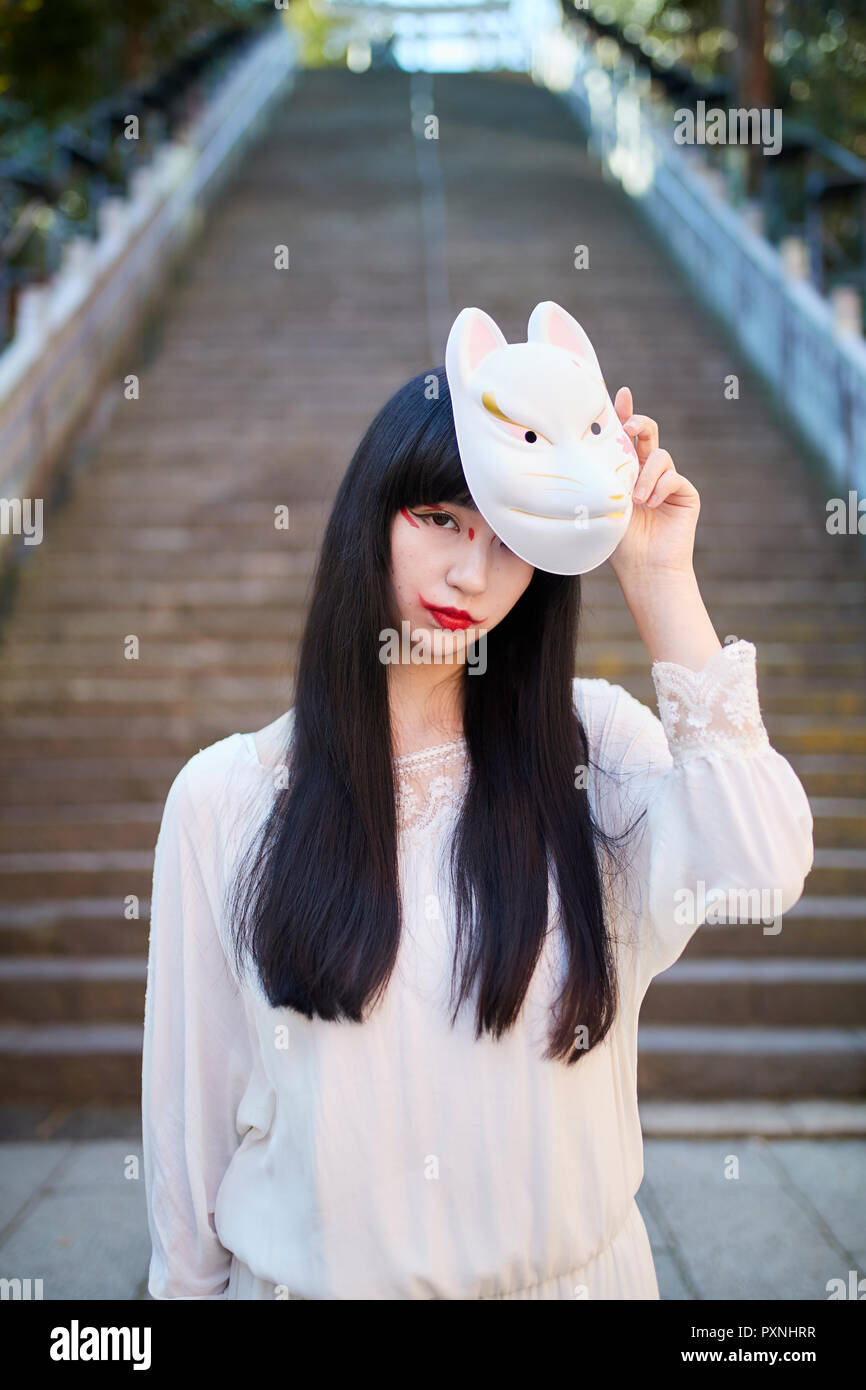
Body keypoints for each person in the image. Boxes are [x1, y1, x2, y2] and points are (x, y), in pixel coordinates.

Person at [141, 367, 814, 1300]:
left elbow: (760, 865)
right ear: (370, 517)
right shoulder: (226, 799)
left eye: (510, 538)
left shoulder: (595, 754)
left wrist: (659, 574)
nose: (471, 574)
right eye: (442, 521)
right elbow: (189, 1134)